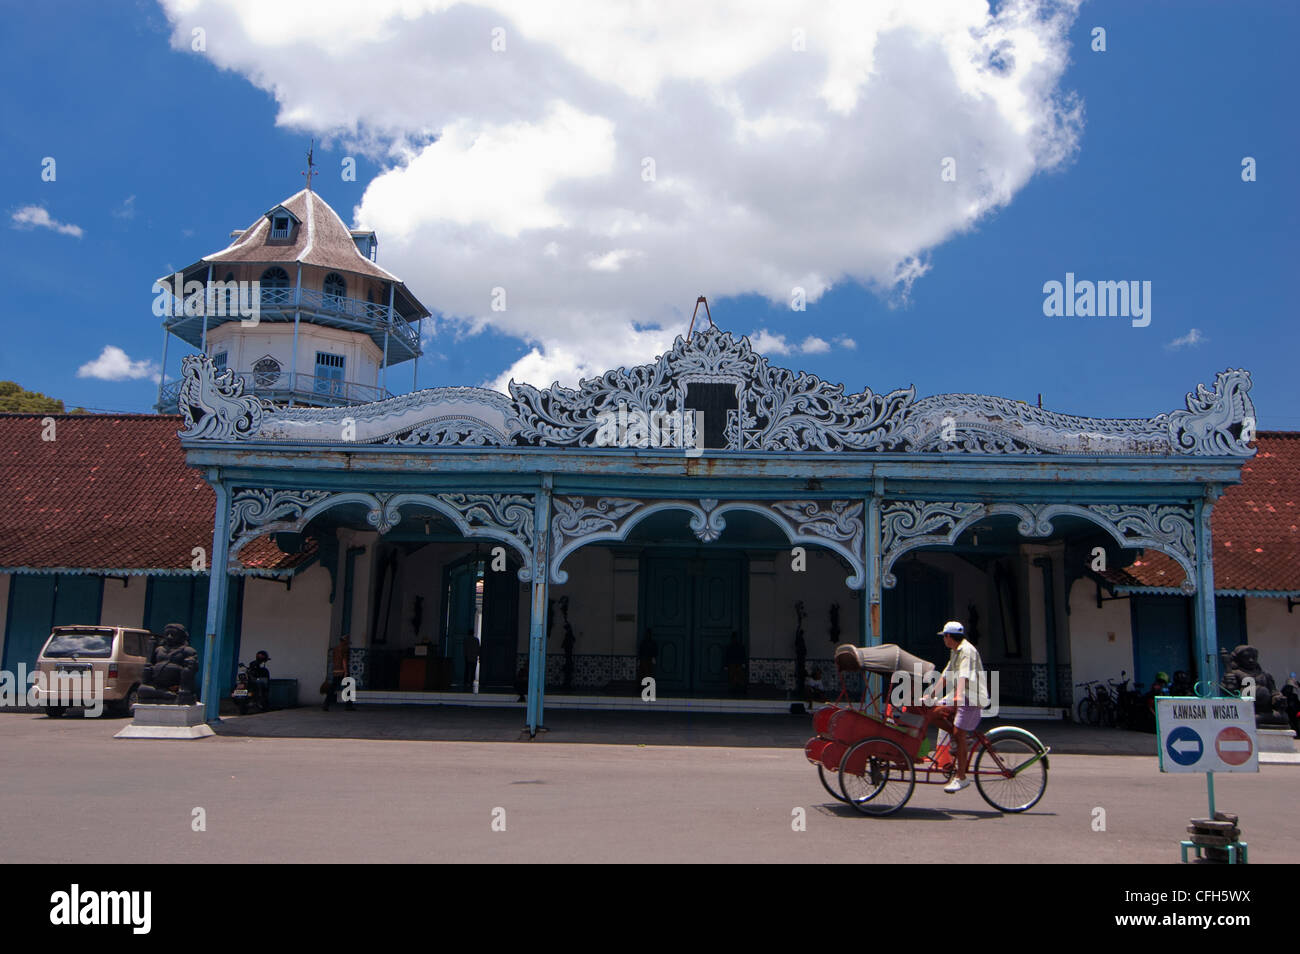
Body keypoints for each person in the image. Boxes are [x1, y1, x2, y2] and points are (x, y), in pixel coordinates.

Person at [925, 621, 987, 793]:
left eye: (944, 637)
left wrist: (958, 696)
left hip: (971, 696)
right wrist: (931, 695)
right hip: (959, 694)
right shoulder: (955, 651)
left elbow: (964, 677)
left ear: (948, 636)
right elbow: (946, 675)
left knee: (959, 733)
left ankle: (961, 778)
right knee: (931, 713)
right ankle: (957, 738)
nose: (943, 640)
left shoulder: (967, 651)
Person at [322, 635, 355, 711]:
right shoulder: (345, 649)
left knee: (332, 688)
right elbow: (344, 660)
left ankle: (326, 704)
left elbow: (333, 660)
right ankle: (349, 706)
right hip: (342, 671)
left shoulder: (335, 649)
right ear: (345, 642)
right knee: (348, 688)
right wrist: (346, 671)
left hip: (336, 671)